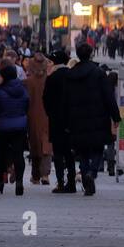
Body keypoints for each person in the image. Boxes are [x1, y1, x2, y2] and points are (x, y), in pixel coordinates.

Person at [63, 42, 121, 196]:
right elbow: (108, 96)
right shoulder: (99, 73)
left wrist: (66, 118)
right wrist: (115, 116)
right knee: (97, 147)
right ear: (91, 54)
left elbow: (65, 98)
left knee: (81, 150)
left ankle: (85, 171)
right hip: (98, 117)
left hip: (76, 118)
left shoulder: (71, 74)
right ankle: (92, 172)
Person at [0, 64, 30, 196]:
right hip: (19, 126)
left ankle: (0, 182)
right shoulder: (22, 89)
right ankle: (19, 182)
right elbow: (27, 105)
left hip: (2, 127)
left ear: (4, 76)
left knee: (0, 154)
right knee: (18, 154)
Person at [42, 49, 76, 193]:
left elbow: (46, 100)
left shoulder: (52, 78)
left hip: (56, 120)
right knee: (69, 153)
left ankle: (61, 182)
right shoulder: (72, 76)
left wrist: (51, 114)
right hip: (71, 120)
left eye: (50, 61)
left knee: (58, 152)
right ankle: (72, 181)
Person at [24, 53, 53, 185]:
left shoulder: (26, 82)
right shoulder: (50, 81)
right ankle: (45, 174)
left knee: (34, 145)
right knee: (47, 145)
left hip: (32, 117)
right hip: (48, 117)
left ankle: (35, 175)